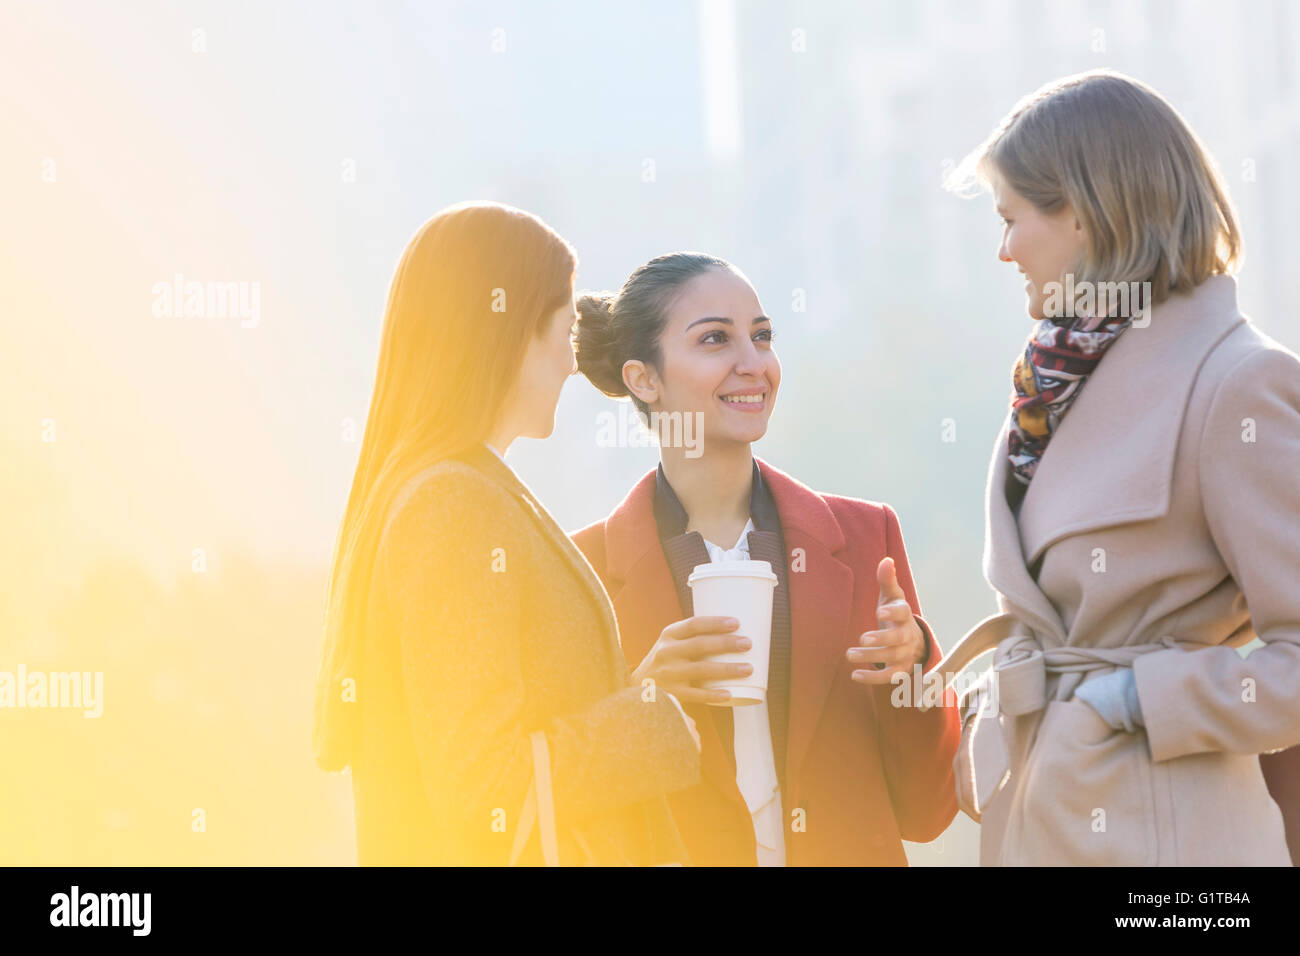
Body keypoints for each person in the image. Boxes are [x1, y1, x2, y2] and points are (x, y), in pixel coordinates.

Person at [942, 69, 1300, 865]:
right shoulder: (1052, 383)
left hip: (1172, 852)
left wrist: (1134, 700)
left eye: (1012, 219)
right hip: (1042, 817)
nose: (1003, 251)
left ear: (1082, 211)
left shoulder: (1237, 383)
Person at [311, 201, 704, 865]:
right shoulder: (452, 504)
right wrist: (650, 723)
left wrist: (633, 692)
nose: (573, 363)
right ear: (509, 330)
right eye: (562, 328)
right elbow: (485, 790)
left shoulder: (457, 489)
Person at [570, 251, 960, 865]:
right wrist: (643, 698)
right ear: (644, 379)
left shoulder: (865, 539)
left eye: (762, 337)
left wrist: (913, 668)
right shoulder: (582, 572)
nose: (754, 365)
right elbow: (572, 807)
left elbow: (927, 810)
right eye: (715, 340)